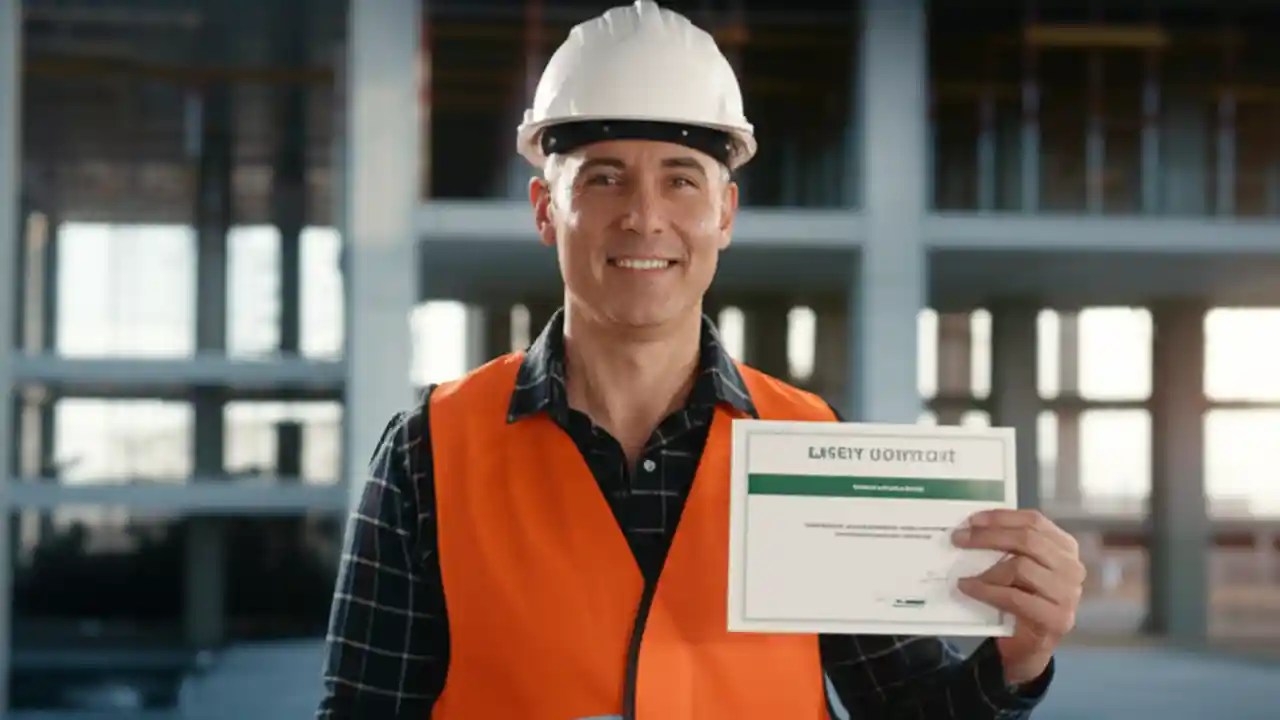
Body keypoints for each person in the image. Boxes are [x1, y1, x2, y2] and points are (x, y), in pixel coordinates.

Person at [317, 2, 1085, 717]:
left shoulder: (808, 445)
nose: (644, 216)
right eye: (603, 177)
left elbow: (907, 707)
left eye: (680, 181)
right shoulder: (429, 455)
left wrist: (1016, 660)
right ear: (547, 211)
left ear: (724, 214)